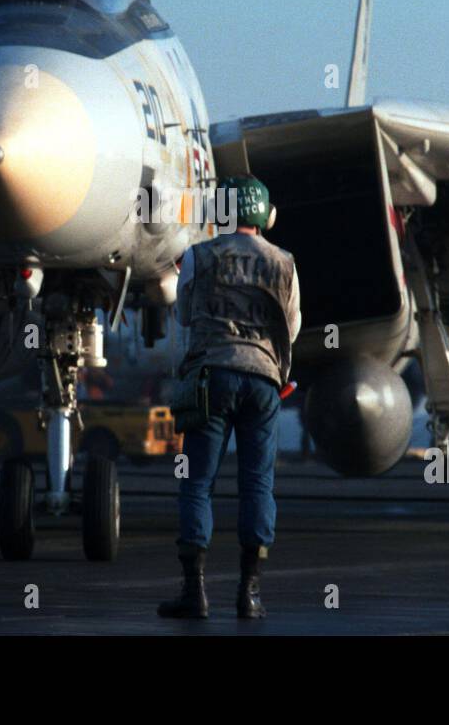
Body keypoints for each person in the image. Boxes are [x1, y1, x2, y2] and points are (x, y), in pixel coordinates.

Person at [158, 175, 300, 620]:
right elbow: (292, 327)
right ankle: (250, 594)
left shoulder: (200, 256)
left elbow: (182, 313)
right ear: (267, 216)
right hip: (262, 381)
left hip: (211, 378)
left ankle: (194, 592)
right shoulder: (284, 263)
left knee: (198, 481)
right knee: (258, 482)